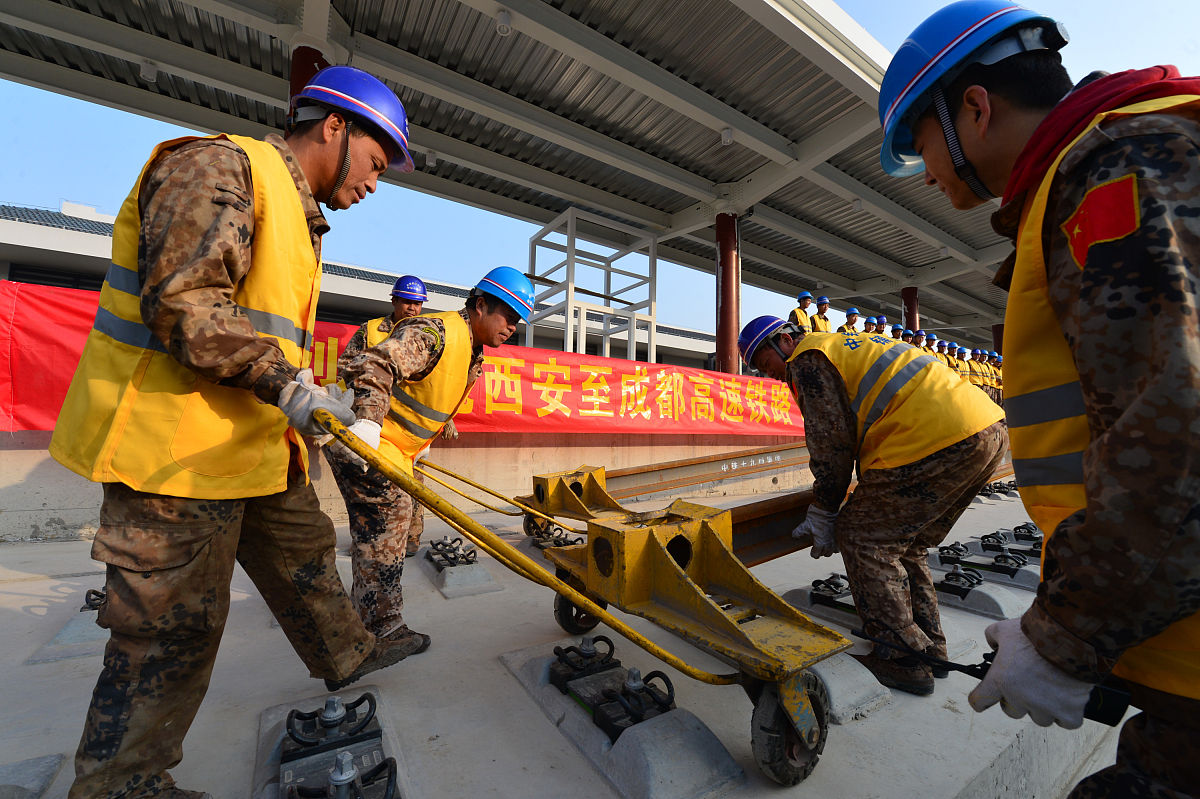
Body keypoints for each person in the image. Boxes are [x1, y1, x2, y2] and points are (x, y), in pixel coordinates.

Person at [47, 65, 423, 799]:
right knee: (171, 630)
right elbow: (187, 304)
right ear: (334, 129)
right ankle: (122, 782)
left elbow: (261, 330)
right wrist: (291, 388)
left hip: (246, 447)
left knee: (307, 558)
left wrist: (315, 402)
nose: (375, 184)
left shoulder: (297, 213)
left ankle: (347, 658)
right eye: (377, 164)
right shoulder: (222, 167)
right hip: (174, 459)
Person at [879, 2, 1200, 795]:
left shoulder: (1113, 171)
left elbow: (1178, 438)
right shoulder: (1131, 156)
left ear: (974, 109)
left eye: (920, 143)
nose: (928, 171)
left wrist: (1064, 635)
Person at [738, 317, 1007, 695]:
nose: (776, 377)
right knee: (904, 544)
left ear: (784, 341)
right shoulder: (843, 346)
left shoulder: (808, 358)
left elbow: (831, 443)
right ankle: (929, 647)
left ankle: (902, 659)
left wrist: (825, 509)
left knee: (863, 539)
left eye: (769, 366)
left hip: (935, 439)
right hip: (985, 431)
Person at [331, 266, 535, 640]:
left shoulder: (472, 352)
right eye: (507, 314)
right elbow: (376, 364)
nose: (512, 327)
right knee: (387, 539)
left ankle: (355, 620)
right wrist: (368, 424)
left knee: (380, 537)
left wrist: (423, 441)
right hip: (372, 445)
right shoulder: (434, 333)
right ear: (481, 304)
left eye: (517, 320)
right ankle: (381, 632)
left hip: (399, 450)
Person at [324, 274, 451, 649]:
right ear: (393, 300)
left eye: (417, 304)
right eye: (406, 302)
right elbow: (351, 367)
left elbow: (435, 385)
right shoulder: (372, 331)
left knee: (410, 502)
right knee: (381, 525)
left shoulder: (428, 334)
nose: (412, 308)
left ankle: (407, 545)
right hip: (371, 431)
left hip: (407, 437)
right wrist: (362, 415)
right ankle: (381, 625)